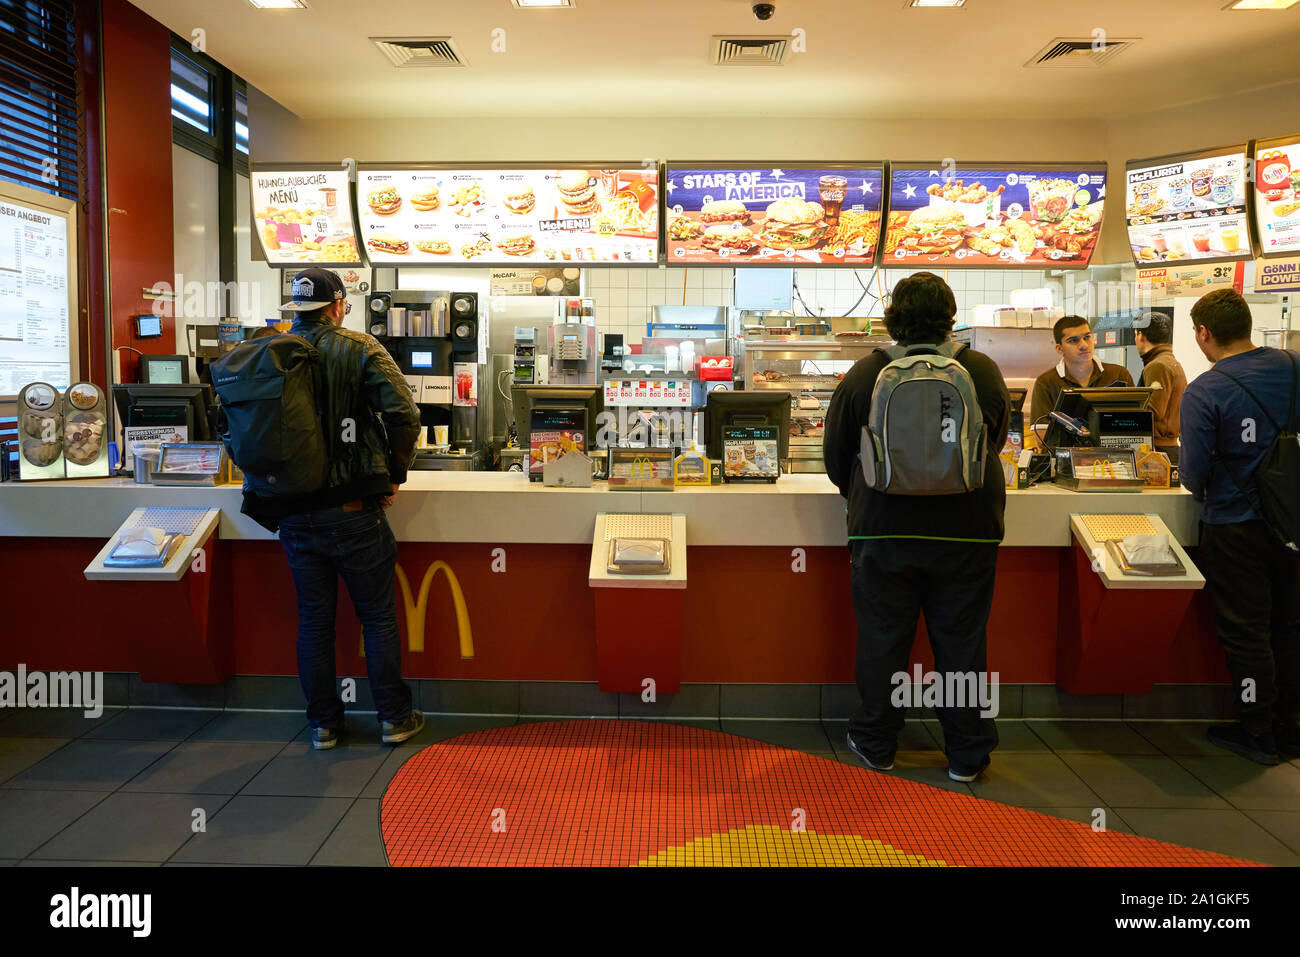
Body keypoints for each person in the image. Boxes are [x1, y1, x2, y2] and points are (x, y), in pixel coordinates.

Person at [824, 272, 1010, 782]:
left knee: (884, 639)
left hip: (883, 531)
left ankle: (877, 740)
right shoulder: (982, 371)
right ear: (950, 317)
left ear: (892, 319)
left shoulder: (865, 374)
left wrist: (870, 496)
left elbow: (837, 459)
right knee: (962, 643)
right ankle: (968, 752)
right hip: (967, 531)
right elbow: (990, 446)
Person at [242, 268, 425, 750]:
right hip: (352, 510)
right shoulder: (360, 347)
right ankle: (394, 719)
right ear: (339, 305)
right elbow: (404, 414)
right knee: (378, 618)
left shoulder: (265, 353)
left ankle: (324, 725)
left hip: (294, 511)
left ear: (296, 310)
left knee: (315, 620)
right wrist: (395, 473)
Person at [1180, 288, 1300, 765]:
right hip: (1291, 521)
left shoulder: (1207, 389)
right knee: (1289, 627)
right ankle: (1291, 728)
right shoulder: (1293, 366)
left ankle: (1256, 730)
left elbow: (1193, 474)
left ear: (1204, 333)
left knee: (1245, 632)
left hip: (1234, 524)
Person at [1029, 315, 1134, 433]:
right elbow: (1042, 436)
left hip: (1115, 450)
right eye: (1073, 340)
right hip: (1064, 452)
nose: (1084, 345)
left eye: (1087, 337)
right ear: (1060, 349)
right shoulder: (1046, 383)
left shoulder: (1118, 375)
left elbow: (1137, 424)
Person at [1134, 311, 1187, 463]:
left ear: (1141, 336)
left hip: (1158, 450)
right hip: (1170, 449)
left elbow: (1152, 413)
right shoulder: (1171, 362)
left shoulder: (1157, 366)